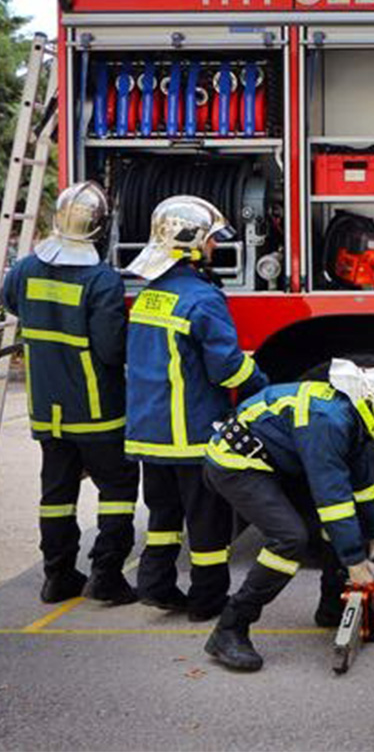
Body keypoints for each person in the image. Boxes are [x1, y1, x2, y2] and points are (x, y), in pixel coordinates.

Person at [202, 358, 374, 672]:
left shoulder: (353, 418)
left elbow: (363, 487)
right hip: (235, 463)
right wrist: (354, 563)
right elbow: (332, 500)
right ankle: (230, 628)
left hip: (272, 461)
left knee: (331, 523)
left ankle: (332, 605)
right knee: (289, 538)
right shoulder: (328, 421)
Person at [125, 195, 267, 621]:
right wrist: (261, 385)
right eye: (208, 241)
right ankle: (207, 601)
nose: (213, 248)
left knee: (164, 516)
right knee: (208, 523)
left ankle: (155, 586)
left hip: (150, 434)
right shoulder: (202, 300)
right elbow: (226, 368)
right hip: (191, 435)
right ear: (189, 244)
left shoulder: (148, 296)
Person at [1, 182, 138, 605]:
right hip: (97, 412)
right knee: (117, 489)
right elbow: (112, 350)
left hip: (47, 411)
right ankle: (106, 576)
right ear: (99, 228)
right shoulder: (102, 281)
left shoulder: (24, 269)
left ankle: (57, 576)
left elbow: (12, 305)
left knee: (56, 495)